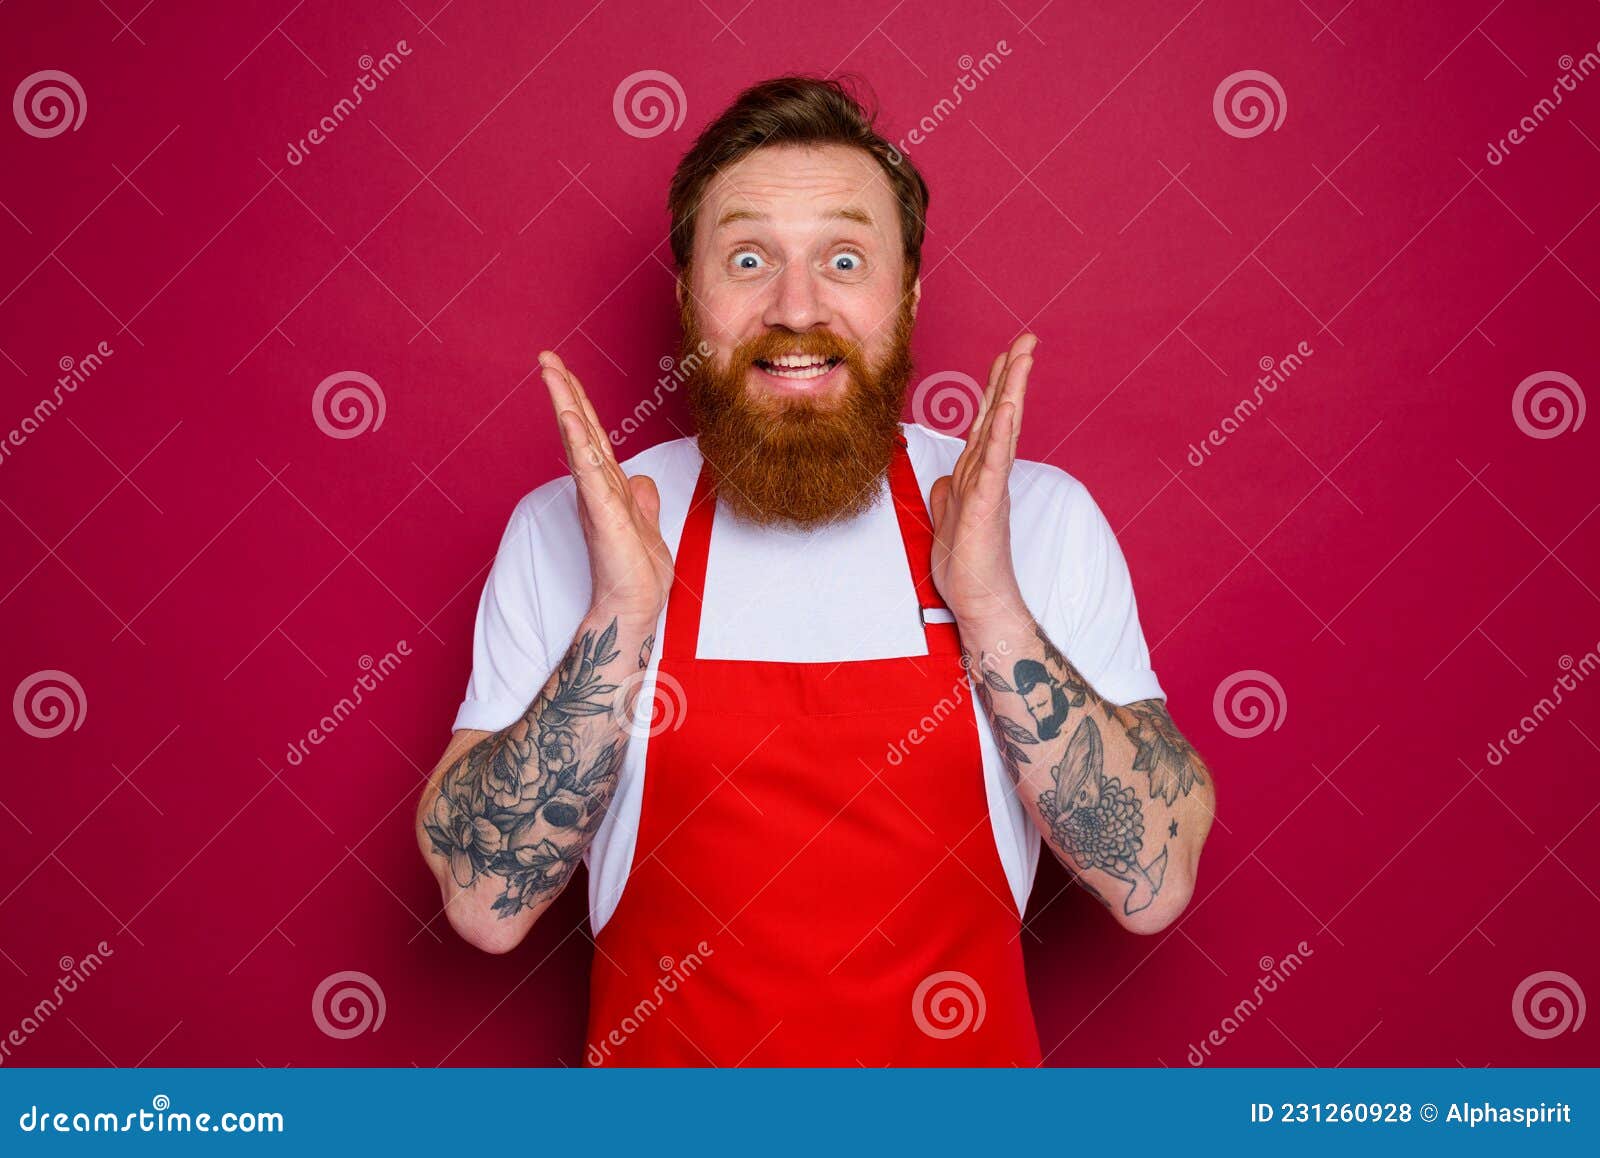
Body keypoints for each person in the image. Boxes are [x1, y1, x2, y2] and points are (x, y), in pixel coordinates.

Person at [415, 74, 1217, 1067]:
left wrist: (992, 607)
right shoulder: (574, 527)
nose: (796, 307)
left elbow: (1151, 882)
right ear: (689, 297)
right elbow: (485, 904)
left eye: (844, 259)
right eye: (748, 259)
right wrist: (619, 611)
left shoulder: (1035, 519)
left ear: (907, 295)